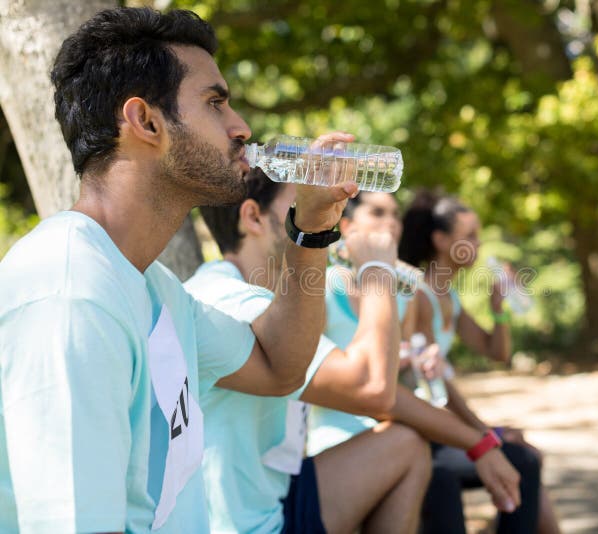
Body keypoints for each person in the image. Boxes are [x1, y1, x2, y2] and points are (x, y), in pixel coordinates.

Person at [0, 7, 355, 533]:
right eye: (216, 103)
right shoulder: (72, 298)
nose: (241, 127)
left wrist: (312, 228)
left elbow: (280, 366)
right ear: (145, 121)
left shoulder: (151, 285)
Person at [188, 172, 524, 533]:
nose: (323, 217)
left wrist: (479, 443)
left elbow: (390, 399)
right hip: (241, 524)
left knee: (407, 445)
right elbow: (373, 389)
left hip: (276, 496)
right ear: (254, 217)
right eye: (303, 206)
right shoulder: (228, 300)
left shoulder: (265, 302)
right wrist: (377, 270)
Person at [399, 190, 561, 534]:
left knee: (525, 454)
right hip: (422, 429)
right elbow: (435, 385)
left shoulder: (449, 297)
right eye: (470, 236)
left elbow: (496, 352)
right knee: (523, 458)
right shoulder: (421, 297)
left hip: (440, 428)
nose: (478, 244)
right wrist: (485, 433)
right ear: (441, 240)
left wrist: (499, 307)